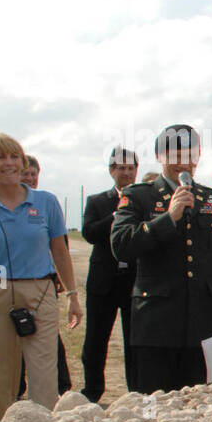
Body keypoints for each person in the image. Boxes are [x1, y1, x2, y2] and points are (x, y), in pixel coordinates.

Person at [0, 133, 82, 421]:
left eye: (14, 156)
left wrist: (73, 296)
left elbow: (59, 252)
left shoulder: (46, 202)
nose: (9, 163)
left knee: (44, 373)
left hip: (39, 291)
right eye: (0, 157)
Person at [110, 124, 212, 393]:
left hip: (203, 322)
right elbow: (121, 245)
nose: (182, 162)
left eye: (189, 154)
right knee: (151, 402)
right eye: (174, 154)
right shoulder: (138, 196)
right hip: (155, 323)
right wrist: (168, 218)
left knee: (197, 402)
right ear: (160, 156)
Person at [80, 147, 140, 401]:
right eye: (121, 168)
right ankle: (92, 392)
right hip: (103, 281)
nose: (126, 172)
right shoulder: (97, 201)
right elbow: (89, 233)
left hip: (135, 281)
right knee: (96, 339)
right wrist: (116, 217)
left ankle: (136, 391)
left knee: (135, 340)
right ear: (111, 170)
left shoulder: (143, 199)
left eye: (130, 168)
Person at [16, 155, 71, 396]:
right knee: (14, 339)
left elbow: (61, 248)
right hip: (10, 284)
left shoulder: (47, 204)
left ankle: (59, 387)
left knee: (47, 338)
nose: (29, 178)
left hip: (44, 281)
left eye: (33, 174)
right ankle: (15, 389)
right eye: (25, 173)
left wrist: (62, 279)